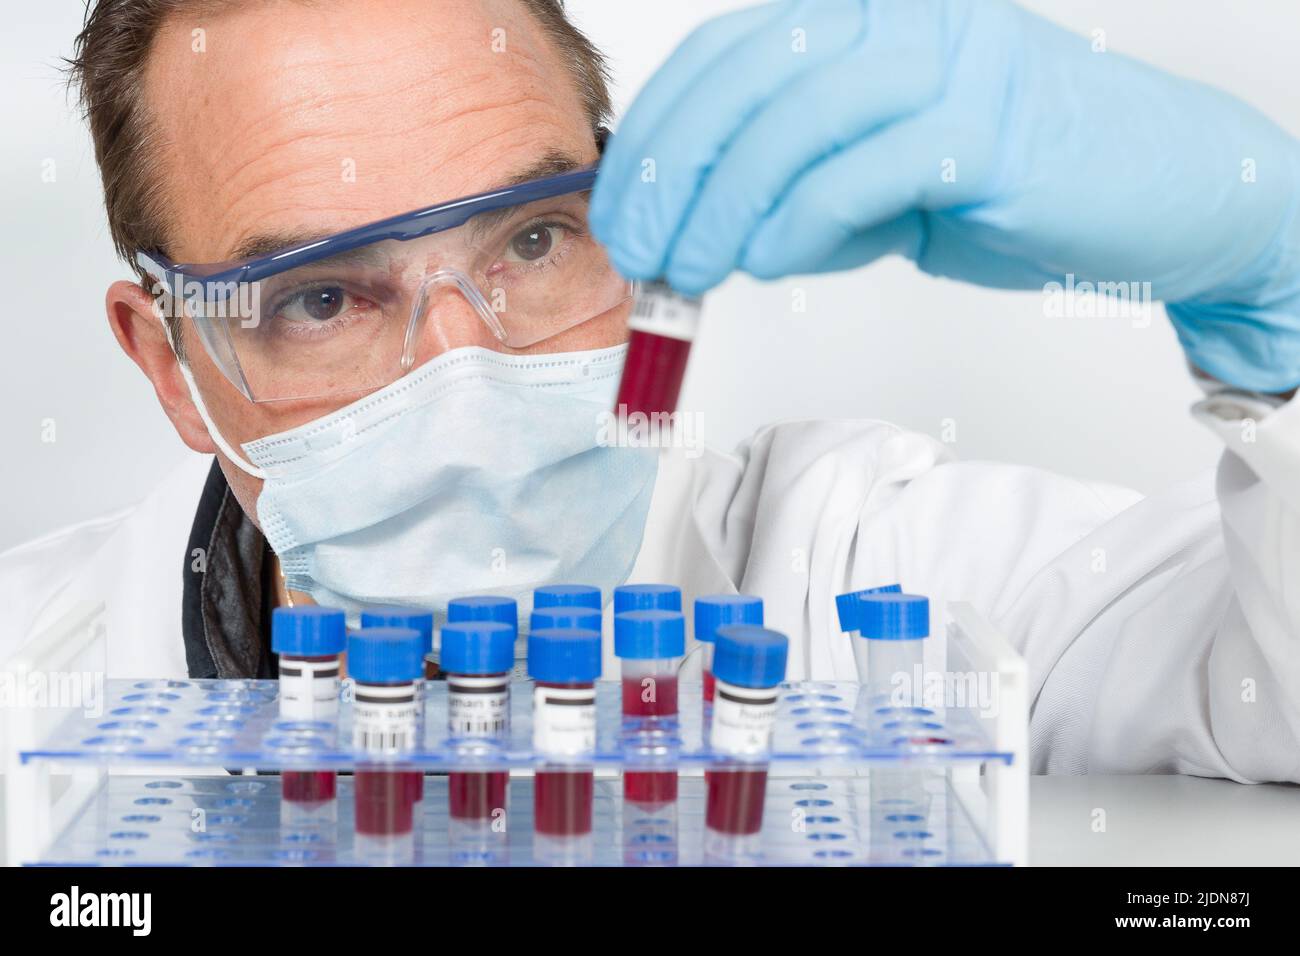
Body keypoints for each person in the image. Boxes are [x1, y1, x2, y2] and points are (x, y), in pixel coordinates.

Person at [2, 0, 1298, 782]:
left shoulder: (854, 572)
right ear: (173, 363)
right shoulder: (29, 678)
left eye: (530, 238)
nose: (471, 371)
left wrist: (1280, 300)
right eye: (323, 297)